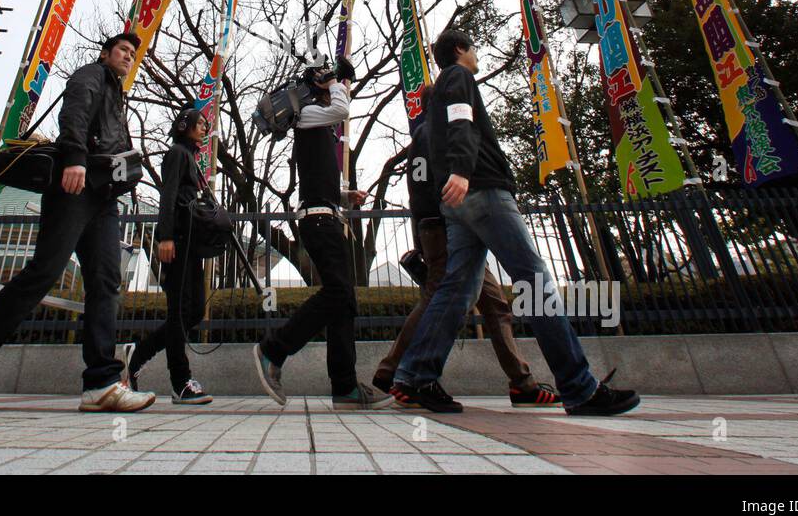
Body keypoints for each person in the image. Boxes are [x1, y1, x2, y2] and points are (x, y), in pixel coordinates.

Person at [391, 29, 640, 417]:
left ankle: (415, 376)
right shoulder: (457, 77)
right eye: (473, 46)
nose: (476, 54)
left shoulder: (436, 94)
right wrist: (461, 170)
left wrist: (452, 177)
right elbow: (463, 121)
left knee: (457, 290)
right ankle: (579, 388)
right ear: (460, 49)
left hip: (454, 204)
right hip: (482, 192)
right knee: (535, 279)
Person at [0, 32, 155, 413]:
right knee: (42, 274)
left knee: (105, 282)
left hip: (102, 196)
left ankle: (101, 382)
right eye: (123, 50)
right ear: (106, 53)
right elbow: (75, 115)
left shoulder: (118, 95)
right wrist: (75, 159)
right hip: (75, 186)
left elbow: (114, 146)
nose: (128, 57)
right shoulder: (91, 75)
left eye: (133, 54)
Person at [372, 112, 561, 410]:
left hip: (438, 226)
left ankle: (522, 383)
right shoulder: (437, 132)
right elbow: (441, 182)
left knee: (492, 304)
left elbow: (416, 192)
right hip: (450, 226)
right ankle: (398, 371)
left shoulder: (419, 138)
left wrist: (422, 233)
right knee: (444, 296)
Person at [252, 58, 392, 410]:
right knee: (338, 291)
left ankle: (344, 387)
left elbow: (317, 178)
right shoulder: (309, 115)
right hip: (317, 221)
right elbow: (342, 109)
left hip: (326, 215)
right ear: (321, 85)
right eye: (336, 82)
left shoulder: (318, 125)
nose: (342, 90)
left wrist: (345, 196)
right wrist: (335, 83)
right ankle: (274, 349)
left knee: (345, 300)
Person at [126, 107, 214, 405]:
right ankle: (180, 382)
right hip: (176, 240)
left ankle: (139, 352)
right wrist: (164, 236)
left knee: (193, 310)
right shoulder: (177, 153)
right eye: (200, 123)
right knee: (179, 311)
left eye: (205, 123)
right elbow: (169, 194)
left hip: (191, 243)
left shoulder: (191, 156)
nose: (204, 127)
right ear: (184, 126)